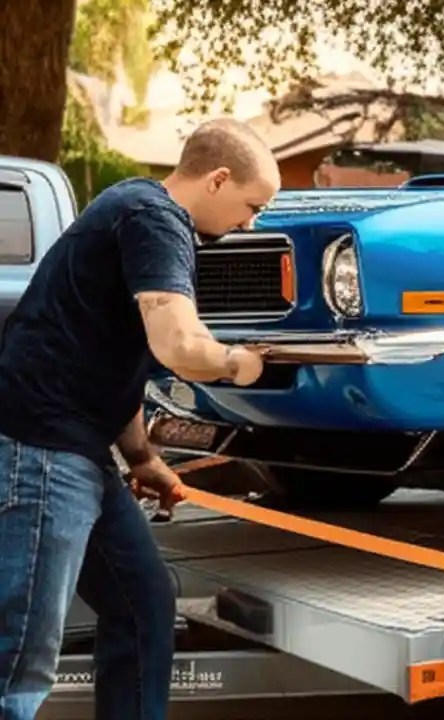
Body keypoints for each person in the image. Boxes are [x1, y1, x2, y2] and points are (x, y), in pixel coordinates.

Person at [0, 118, 280, 719]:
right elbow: (179, 346)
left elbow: (111, 357)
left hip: (79, 448)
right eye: (251, 205)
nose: (250, 222)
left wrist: (144, 458)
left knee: (144, 603)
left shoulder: (130, 206)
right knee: (20, 658)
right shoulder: (156, 220)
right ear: (219, 179)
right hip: (44, 451)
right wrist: (242, 364)